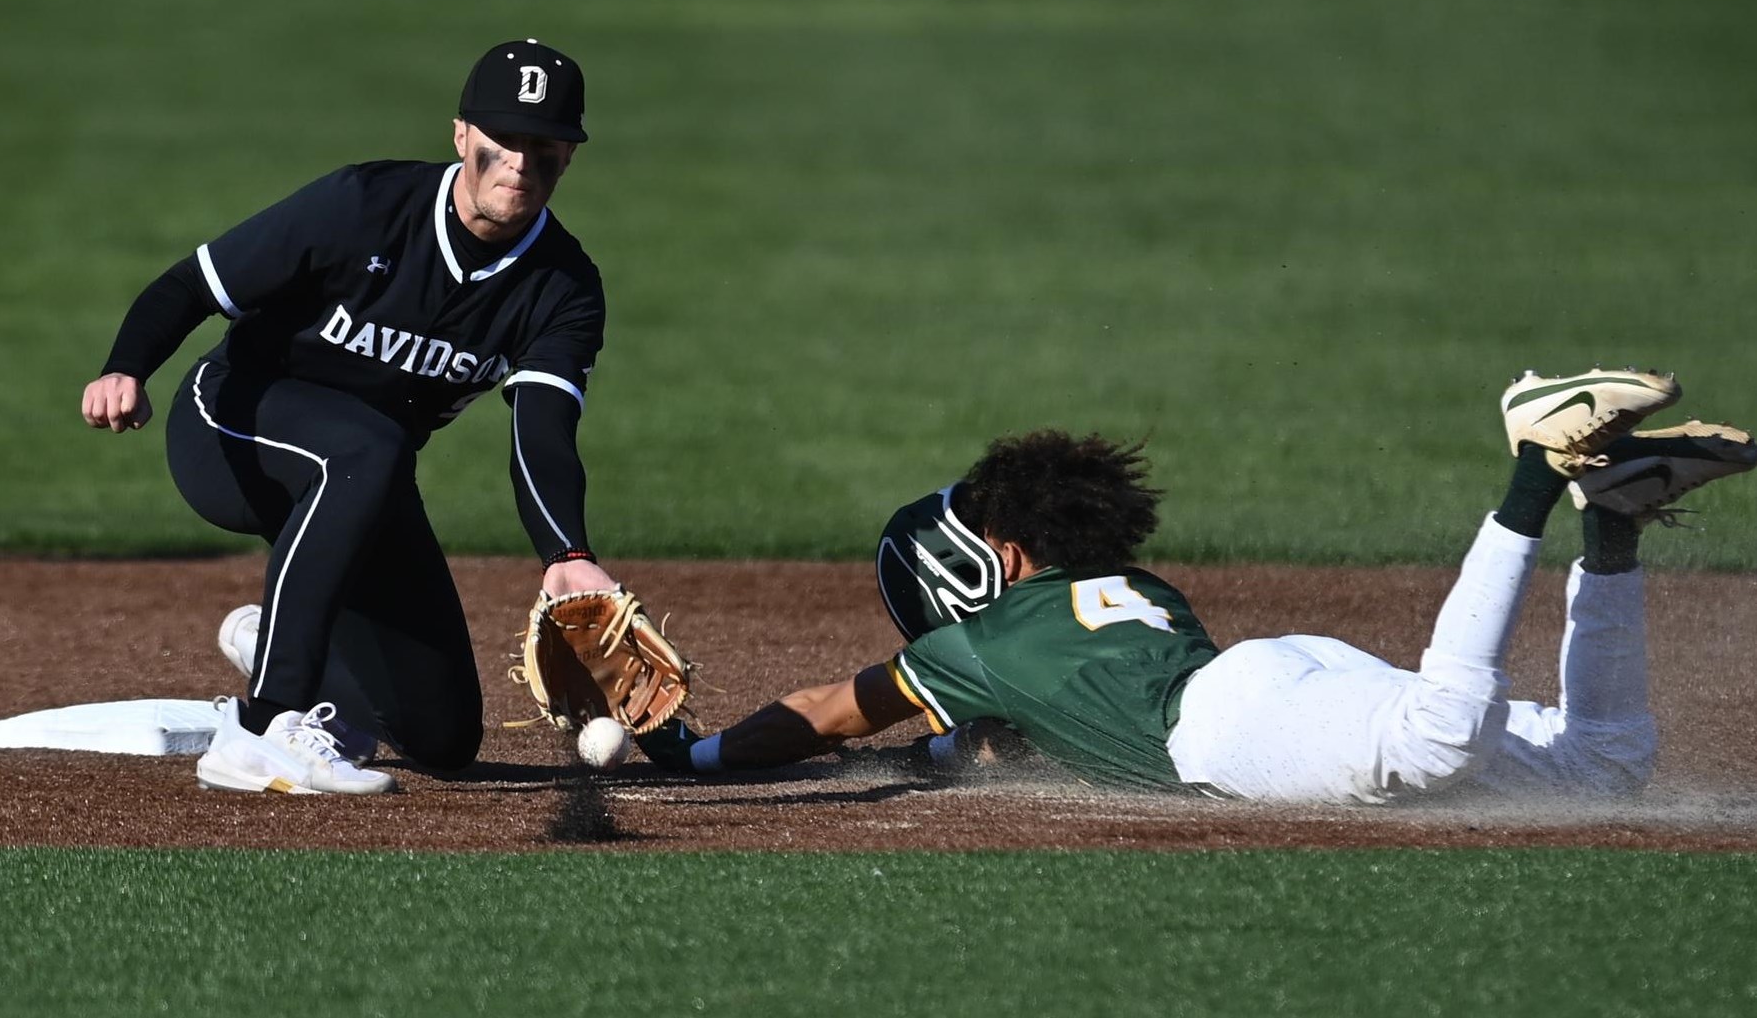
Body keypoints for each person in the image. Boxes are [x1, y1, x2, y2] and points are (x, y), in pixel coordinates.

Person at [638, 369, 1757, 803]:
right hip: (1260, 671)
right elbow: (1020, 731)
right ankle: (1609, 525)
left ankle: (1529, 463)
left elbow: (826, 712)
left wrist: (689, 752)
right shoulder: (1135, 591)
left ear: (1001, 557)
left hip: (1223, 725)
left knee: (1431, 742)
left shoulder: (975, 645)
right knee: (1602, 769)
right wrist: (939, 750)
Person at [80, 39, 619, 794]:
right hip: (228, 426)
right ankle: (263, 727)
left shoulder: (563, 288)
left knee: (444, 736)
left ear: (569, 155)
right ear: (462, 135)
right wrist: (125, 366)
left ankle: (284, 641)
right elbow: (192, 282)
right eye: (502, 141)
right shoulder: (365, 205)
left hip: (366, 474)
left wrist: (565, 550)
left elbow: (542, 429)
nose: (520, 163)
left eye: (544, 146)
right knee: (369, 443)